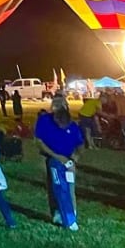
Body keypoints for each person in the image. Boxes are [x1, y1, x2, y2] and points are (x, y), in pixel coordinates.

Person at [35, 96, 84, 231]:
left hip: (68, 160)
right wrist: (56, 156)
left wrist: (74, 158)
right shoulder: (45, 120)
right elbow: (39, 141)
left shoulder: (72, 124)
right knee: (54, 186)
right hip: (50, 158)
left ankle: (71, 214)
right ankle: (57, 213)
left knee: (69, 187)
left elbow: (80, 144)